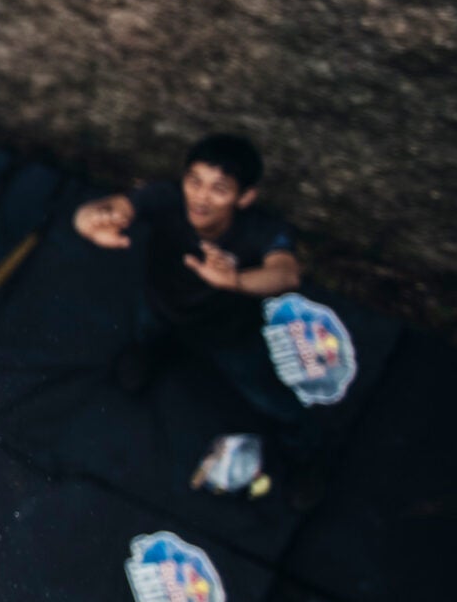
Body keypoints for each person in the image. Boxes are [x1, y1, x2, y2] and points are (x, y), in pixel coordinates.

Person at [72, 134, 307, 429]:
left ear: (245, 197)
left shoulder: (263, 229)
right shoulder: (166, 196)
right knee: (144, 342)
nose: (200, 197)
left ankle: (301, 444)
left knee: (266, 396)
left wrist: (236, 280)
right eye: (194, 181)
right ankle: (145, 356)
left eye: (219, 189)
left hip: (227, 331)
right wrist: (90, 224)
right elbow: (99, 211)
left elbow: (287, 274)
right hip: (160, 306)